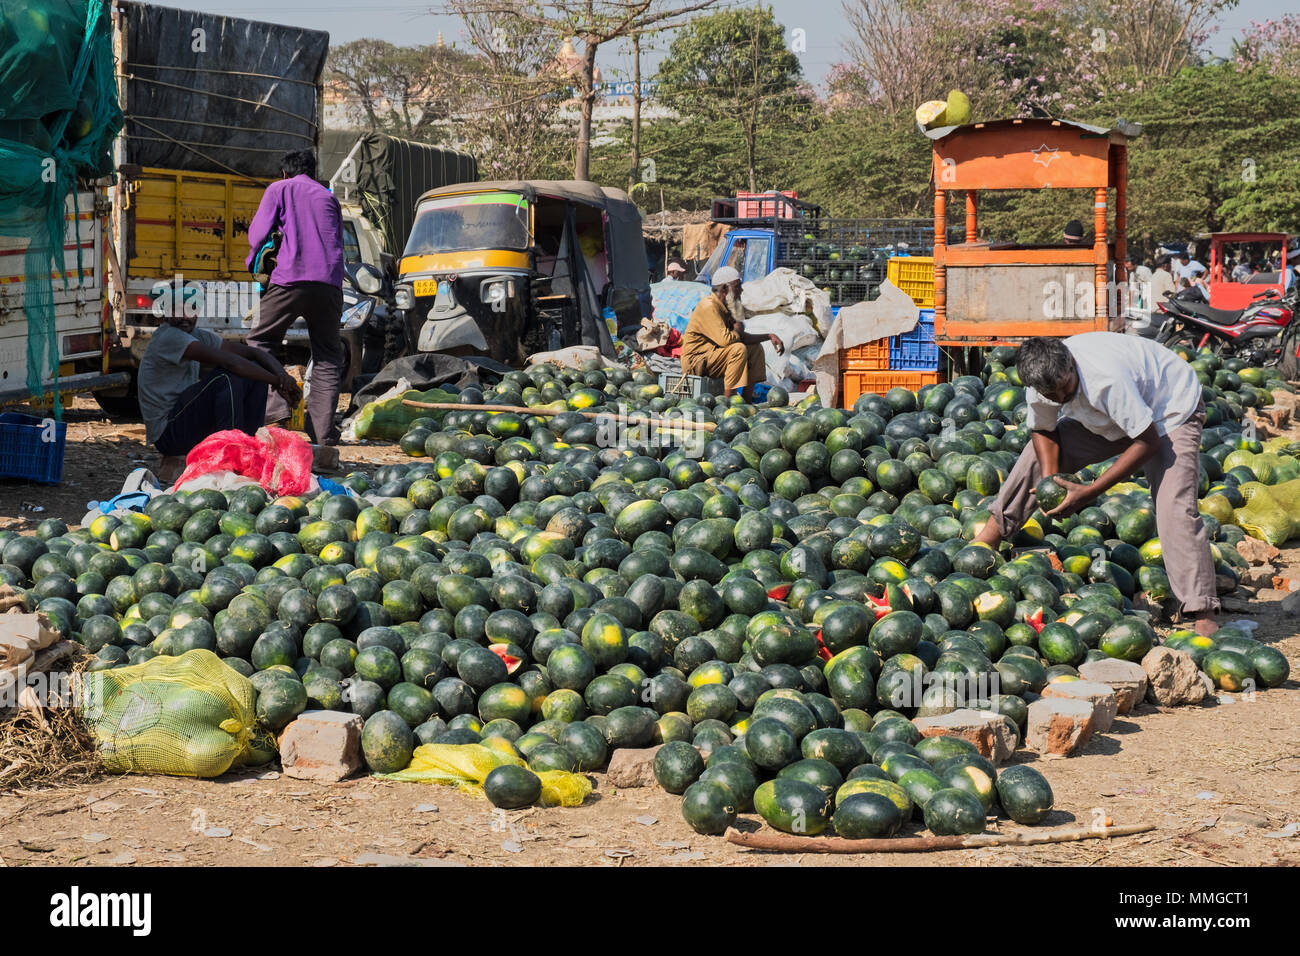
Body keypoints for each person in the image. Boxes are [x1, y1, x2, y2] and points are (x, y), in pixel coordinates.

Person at [974, 333, 1219, 636]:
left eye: (1066, 389)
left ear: (1071, 365)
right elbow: (1043, 430)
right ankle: (990, 536)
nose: (1061, 398)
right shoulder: (1044, 384)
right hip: (1108, 417)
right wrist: (1054, 483)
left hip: (1168, 411)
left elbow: (1147, 441)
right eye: (1053, 395)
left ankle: (1202, 608)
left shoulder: (1106, 379)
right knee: (1033, 458)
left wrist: (1089, 492)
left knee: (1173, 505)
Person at [245, 149, 345, 445]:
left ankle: (276, 415)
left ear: (285, 173)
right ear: (313, 173)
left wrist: (257, 261)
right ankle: (323, 436)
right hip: (329, 283)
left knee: (260, 342)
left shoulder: (280, 188)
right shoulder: (329, 197)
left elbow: (256, 235)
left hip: (290, 279)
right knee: (327, 357)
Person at [138, 312, 301, 486]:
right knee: (226, 378)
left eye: (190, 310)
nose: (185, 317)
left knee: (253, 370)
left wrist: (283, 377)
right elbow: (232, 363)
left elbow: (253, 353)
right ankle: (232, 452)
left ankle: (249, 445)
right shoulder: (169, 336)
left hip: (185, 423)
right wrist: (278, 382)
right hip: (168, 435)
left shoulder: (195, 335)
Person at [681, 266, 782, 400]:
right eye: (737, 286)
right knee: (738, 349)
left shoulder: (726, 306)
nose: (741, 290)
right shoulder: (709, 306)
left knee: (755, 348)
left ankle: (747, 401)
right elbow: (726, 340)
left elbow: (740, 337)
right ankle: (727, 403)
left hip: (713, 355)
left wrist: (768, 336)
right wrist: (738, 328)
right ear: (724, 289)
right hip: (696, 361)